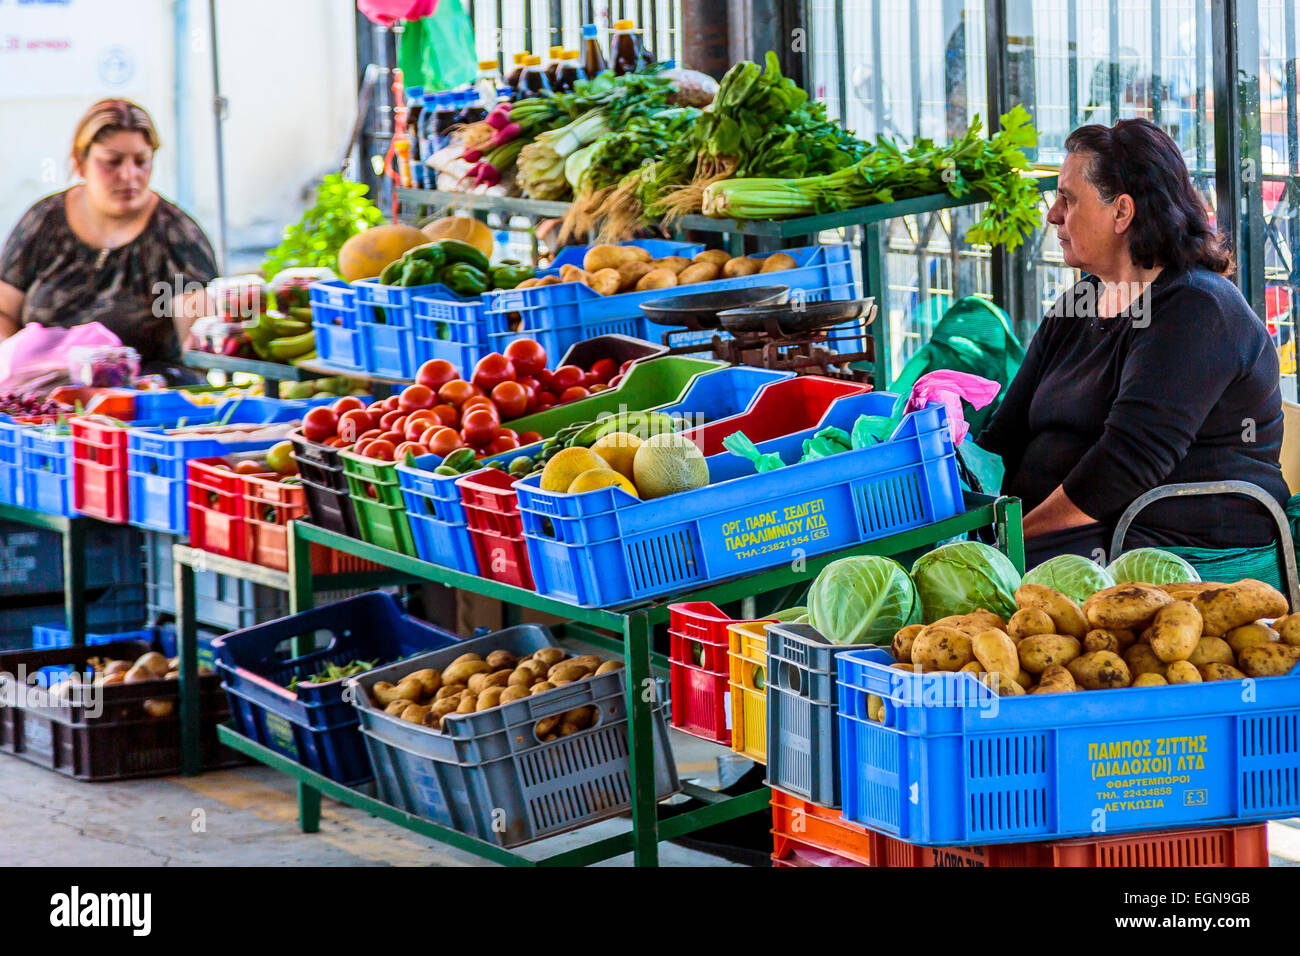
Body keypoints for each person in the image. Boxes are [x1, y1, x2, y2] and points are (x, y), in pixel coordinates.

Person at [978, 118, 1290, 564]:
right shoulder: (1082, 301)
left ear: (1122, 212)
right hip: (1080, 529)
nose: (1053, 215)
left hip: (1158, 537)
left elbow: (1126, 463)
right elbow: (1005, 433)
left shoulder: (1197, 309)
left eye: (1068, 199)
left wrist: (1008, 544)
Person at [0, 98, 217, 378]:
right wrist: (14, 369)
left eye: (141, 161)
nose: (129, 175)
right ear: (80, 163)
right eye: (112, 162)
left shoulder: (177, 236)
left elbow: (198, 344)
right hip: (41, 400)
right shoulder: (43, 222)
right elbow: (4, 312)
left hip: (142, 403)